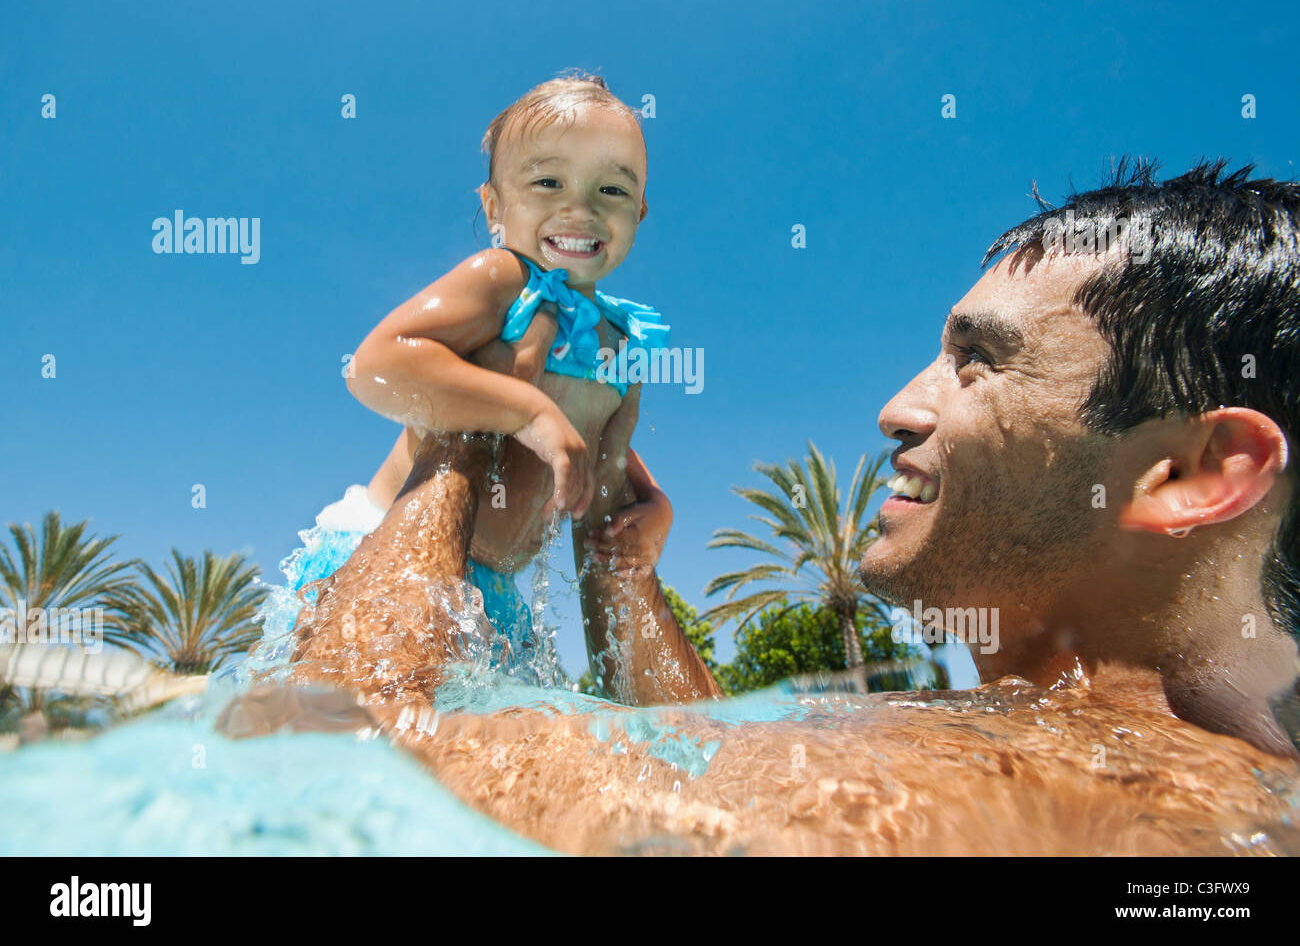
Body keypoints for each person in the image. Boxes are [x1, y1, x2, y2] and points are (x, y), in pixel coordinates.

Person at [235, 159, 1299, 855]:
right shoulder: (1028, 746)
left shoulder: (1083, 803)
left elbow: (322, 756)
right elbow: (693, 745)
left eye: (976, 363)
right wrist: (618, 565)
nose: (896, 407)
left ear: (1190, 474)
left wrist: (465, 436)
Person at [254, 72, 716, 698]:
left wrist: (649, 509)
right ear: (495, 206)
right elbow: (378, 364)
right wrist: (525, 408)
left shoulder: (624, 347)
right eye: (548, 181)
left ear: (638, 213)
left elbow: (596, 468)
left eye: (610, 188)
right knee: (367, 704)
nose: (580, 208)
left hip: (493, 595)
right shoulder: (503, 281)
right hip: (391, 542)